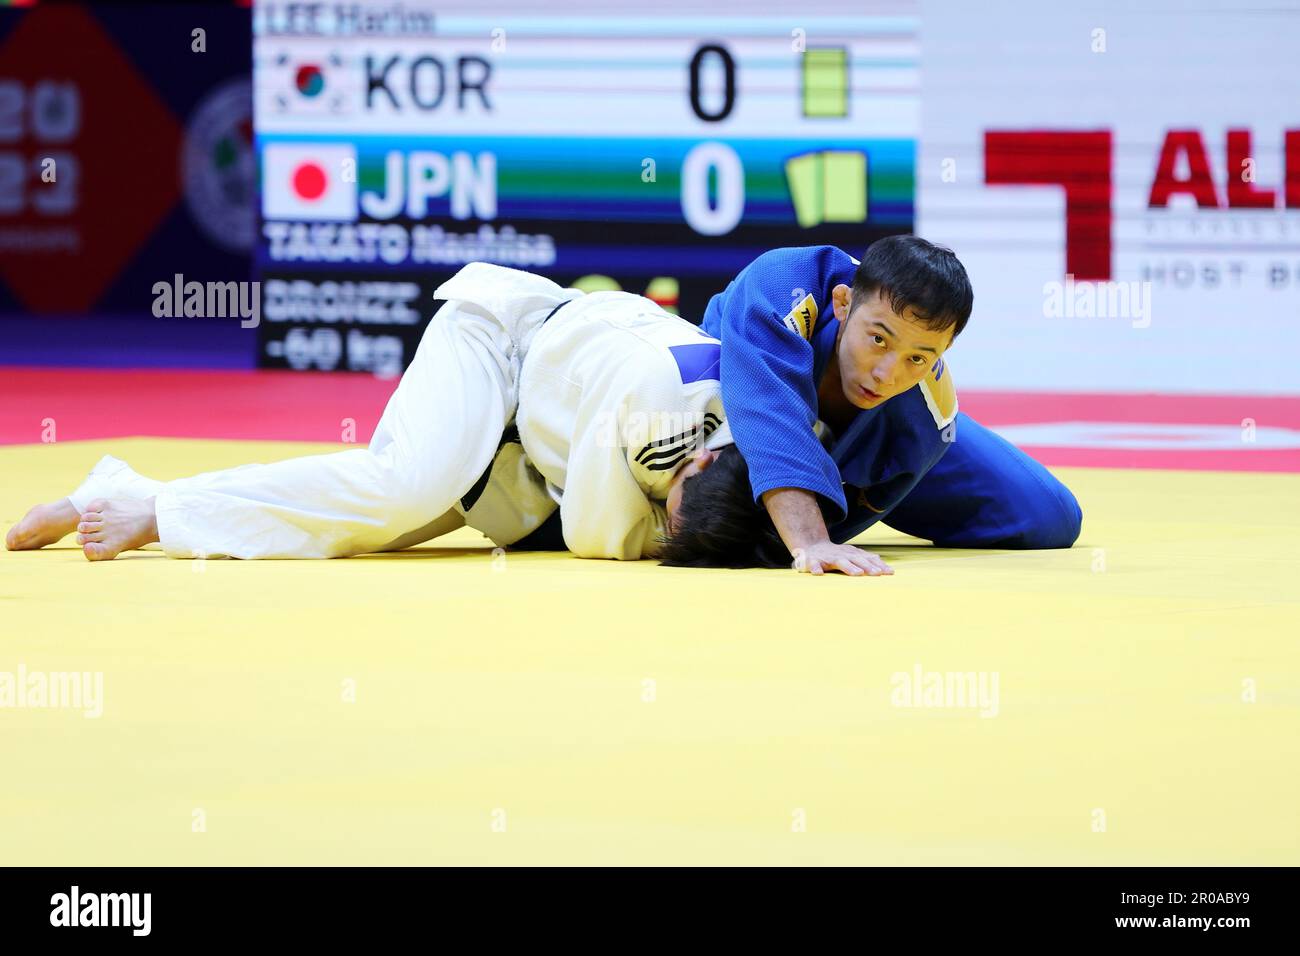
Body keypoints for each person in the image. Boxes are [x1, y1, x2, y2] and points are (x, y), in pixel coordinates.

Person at [4, 263, 773, 565]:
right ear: (703, 462)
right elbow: (595, 535)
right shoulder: (651, 395)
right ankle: (155, 506)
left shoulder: (756, 444)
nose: (668, 523)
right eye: (673, 512)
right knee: (399, 487)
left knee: (358, 531)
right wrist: (663, 540)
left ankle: (132, 495)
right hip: (500, 345)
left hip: (532, 448)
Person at [696, 236, 1083, 576]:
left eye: (917, 358)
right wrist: (809, 543)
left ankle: (836, 471)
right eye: (879, 340)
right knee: (729, 521)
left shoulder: (930, 411)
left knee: (1052, 516)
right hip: (738, 401)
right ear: (843, 302)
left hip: (877, 437)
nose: (886, 374)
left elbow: (853, 517)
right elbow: (767, 411)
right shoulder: (784, 283)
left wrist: (832, 532)